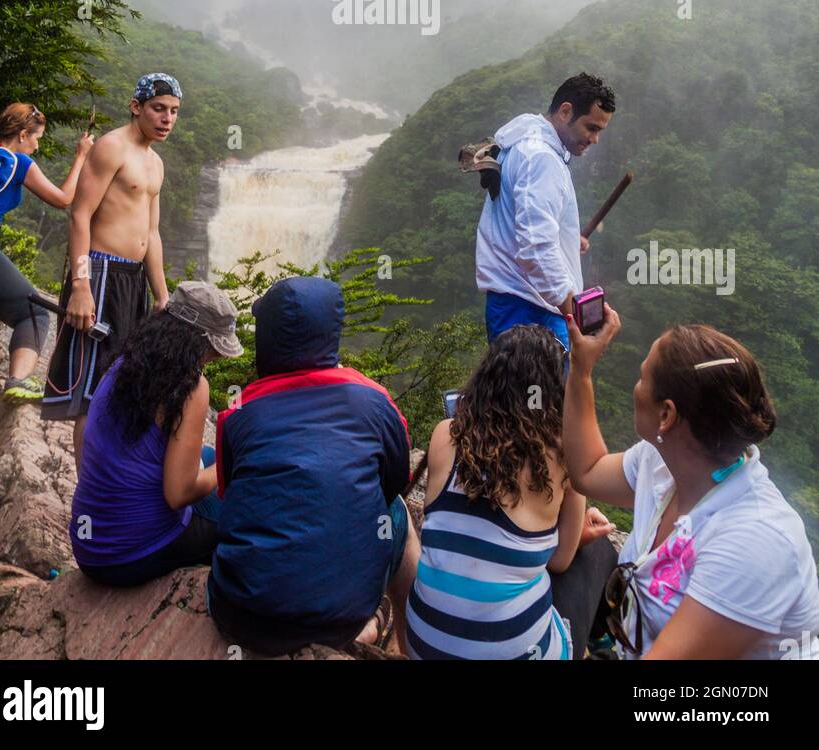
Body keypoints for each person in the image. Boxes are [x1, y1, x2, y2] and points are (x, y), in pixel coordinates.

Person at [562, 309, 819, 659]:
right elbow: (588, 471)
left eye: (641, 378)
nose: (634, 387)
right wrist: (581, 369)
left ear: (666, 415)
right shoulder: (661, 463)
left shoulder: (756, 541)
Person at [208, 275, 421, 656]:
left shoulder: (237, 412)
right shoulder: (374, 401)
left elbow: (231, 495)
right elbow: (393, 484)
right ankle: (400, 642)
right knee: (397, 514)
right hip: (343, 615)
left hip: (240, 616)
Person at [406, 325, 618, 660]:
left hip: (425, 646)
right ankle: (603, 648)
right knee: (598, 552)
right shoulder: (563, 456)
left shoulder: (445, 434)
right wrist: (574, 537)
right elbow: (560, 561)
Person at [42, 73, 182, 466]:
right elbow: (79, 215)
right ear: (136, 107)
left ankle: (111, 474)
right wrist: (80, 285)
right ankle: (88, 488)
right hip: (99, 275)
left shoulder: (155, 164)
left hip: (132, 281)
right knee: (92, 390)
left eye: (173, 111)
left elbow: (151, 234)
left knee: (121, 382)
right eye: (158, 108)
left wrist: (162, 294)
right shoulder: (110, 148)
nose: (166, 118)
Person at [71, 281, 241, 587]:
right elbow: (178, 494)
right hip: (130, 556)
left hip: (88, 544)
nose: (215, 357)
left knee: (207, 457)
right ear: (198, 342)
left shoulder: (125, 363)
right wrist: (231, 465)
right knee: (243, 502)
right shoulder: (190, 385)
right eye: (214, 348)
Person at [0, 103, 93, 402]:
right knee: (35, 313)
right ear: (22, 134)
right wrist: (81, 156)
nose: (37, 145)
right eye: (36, 138)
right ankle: (17, 380)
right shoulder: (20, 164)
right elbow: (63, 199)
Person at [477, 72, 615, 349]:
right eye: (591, 128)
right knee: (541, 392)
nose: (595, 139)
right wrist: (576, 314)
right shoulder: (541, 157)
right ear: (566, 111)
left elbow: (526, 227)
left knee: (521, 391)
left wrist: (565, 243)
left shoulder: (523, 143)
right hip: (530, 312)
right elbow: (536, 249)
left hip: (519, 306)